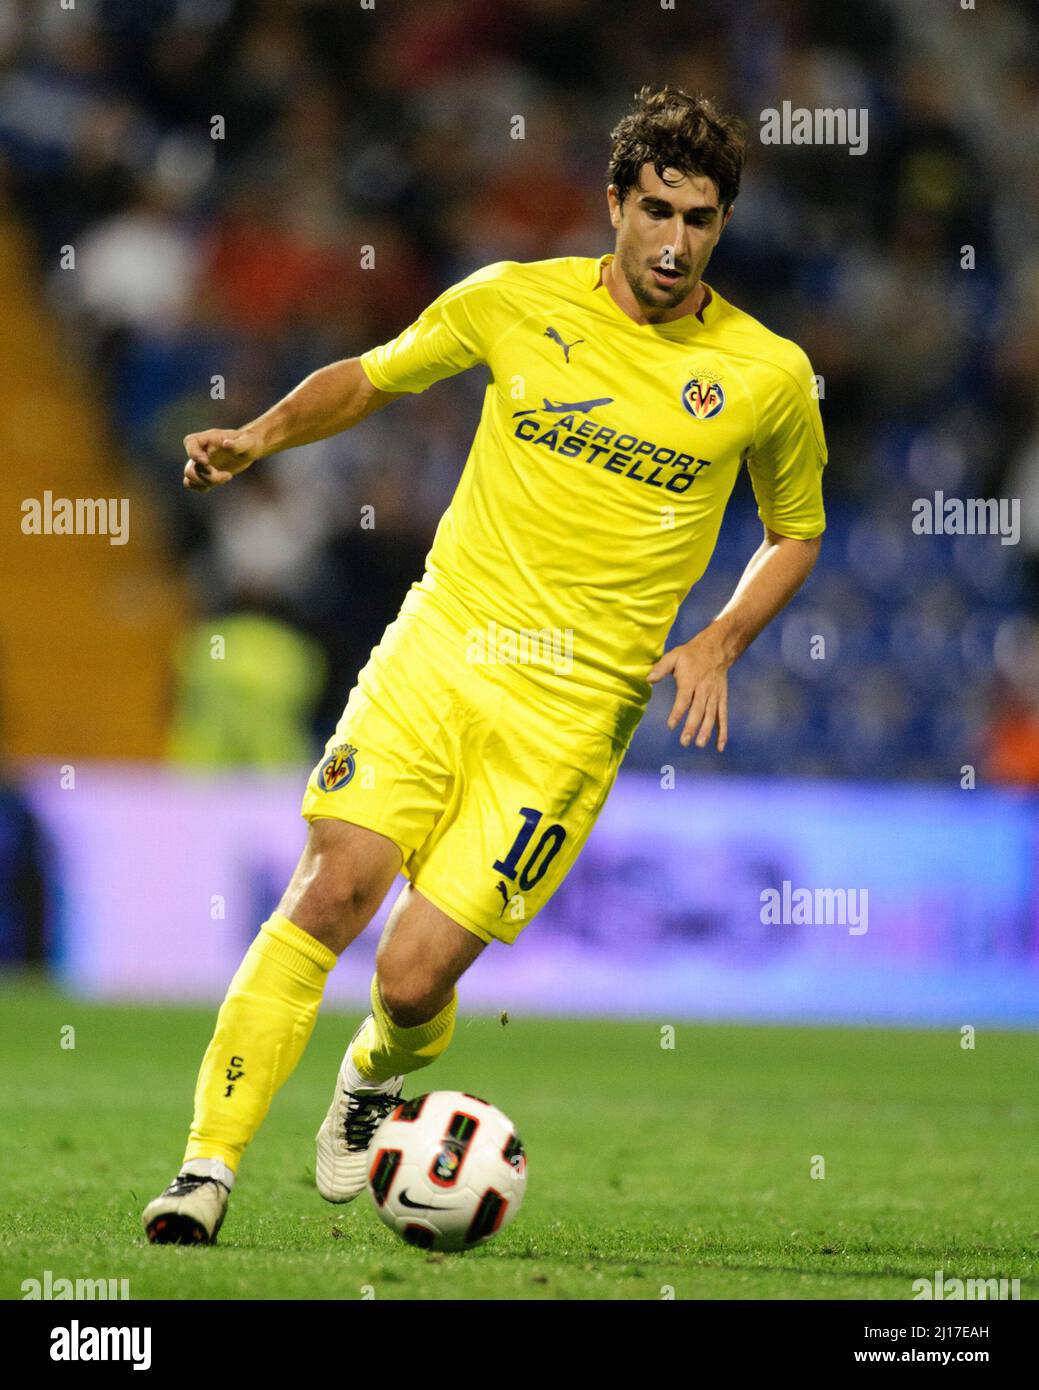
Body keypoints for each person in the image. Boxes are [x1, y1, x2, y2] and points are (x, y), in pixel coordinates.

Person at [143, 86, 826, 1244]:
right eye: (654, 209)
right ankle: (203, 1171)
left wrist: (721, 636)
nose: (672, 241)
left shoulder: (764, 374)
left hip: (571, 715)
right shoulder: (511, 300)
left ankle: (371, 1079)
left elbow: (793, 527)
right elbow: (372, 372)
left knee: (411, 980)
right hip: (439, 650)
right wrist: (260, 433)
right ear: (612, 203)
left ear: (722, 227)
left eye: (699, 219)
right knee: (333, 887)